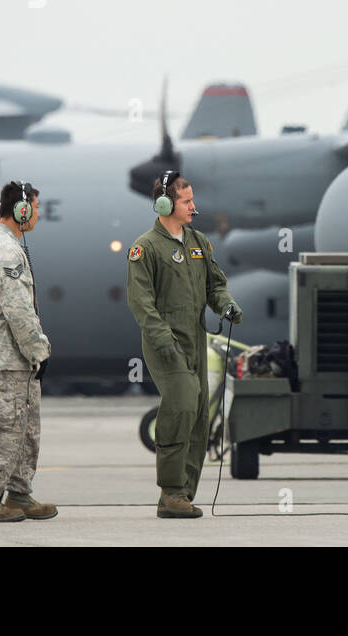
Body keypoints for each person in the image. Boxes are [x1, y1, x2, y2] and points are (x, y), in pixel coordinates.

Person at [127, 170, 241, 518]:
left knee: (199, 414)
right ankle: (172, 489)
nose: (194, 206)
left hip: (195, 339)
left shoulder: (198, 243)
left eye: (193, 199)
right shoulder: (145, 248)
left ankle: (182, 495)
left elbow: (215, 286)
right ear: (165, 203)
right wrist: (162, 339)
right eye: (187, 200)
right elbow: (140, 302)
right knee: (181, 407)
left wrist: (225, 304)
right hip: (166, 343)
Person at [0, 181, 55, 523]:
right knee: (4, 432)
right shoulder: (5, 251)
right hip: (5, 360)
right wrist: (39, 350)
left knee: (26, 431)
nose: (36, 214)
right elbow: (17, 310)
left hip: (17, 360)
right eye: (34, 207)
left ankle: (19, 495)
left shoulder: (9, 246)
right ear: (21, 210)